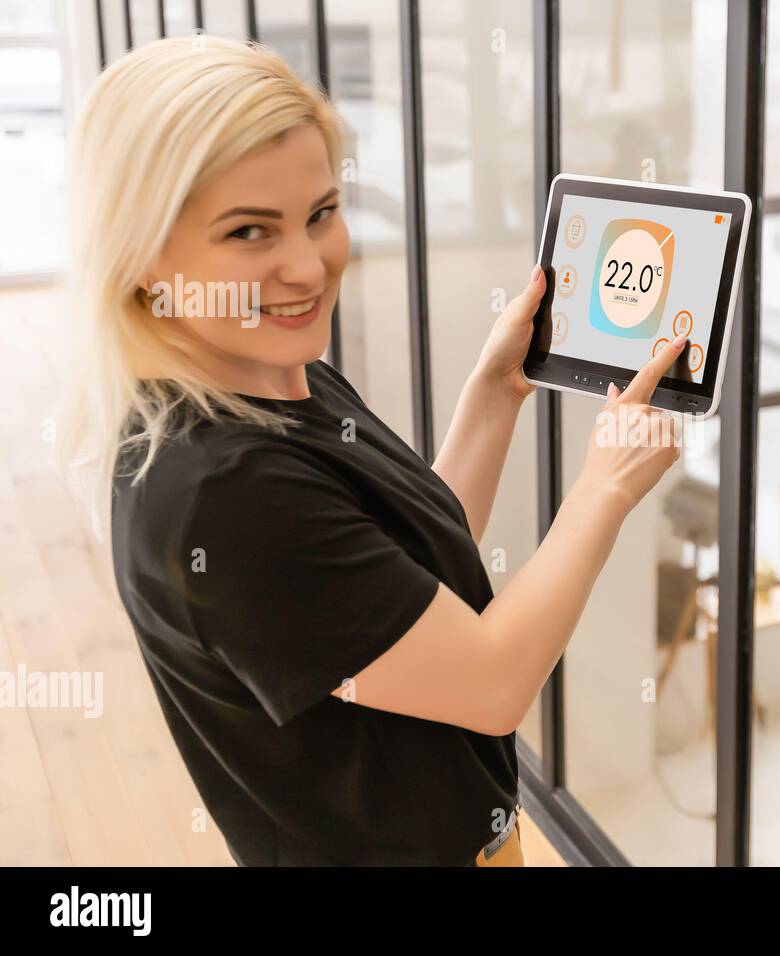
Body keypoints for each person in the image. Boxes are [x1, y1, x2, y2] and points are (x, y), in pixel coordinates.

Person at [56, 36, 686, 866]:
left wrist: (494, 396)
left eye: (321, 212)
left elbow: (393, 587)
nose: (307, 266)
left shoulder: (274, 374)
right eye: (250, 232)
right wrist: (604, 488)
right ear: (139, 257)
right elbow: (493, 685)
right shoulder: (224, 495)